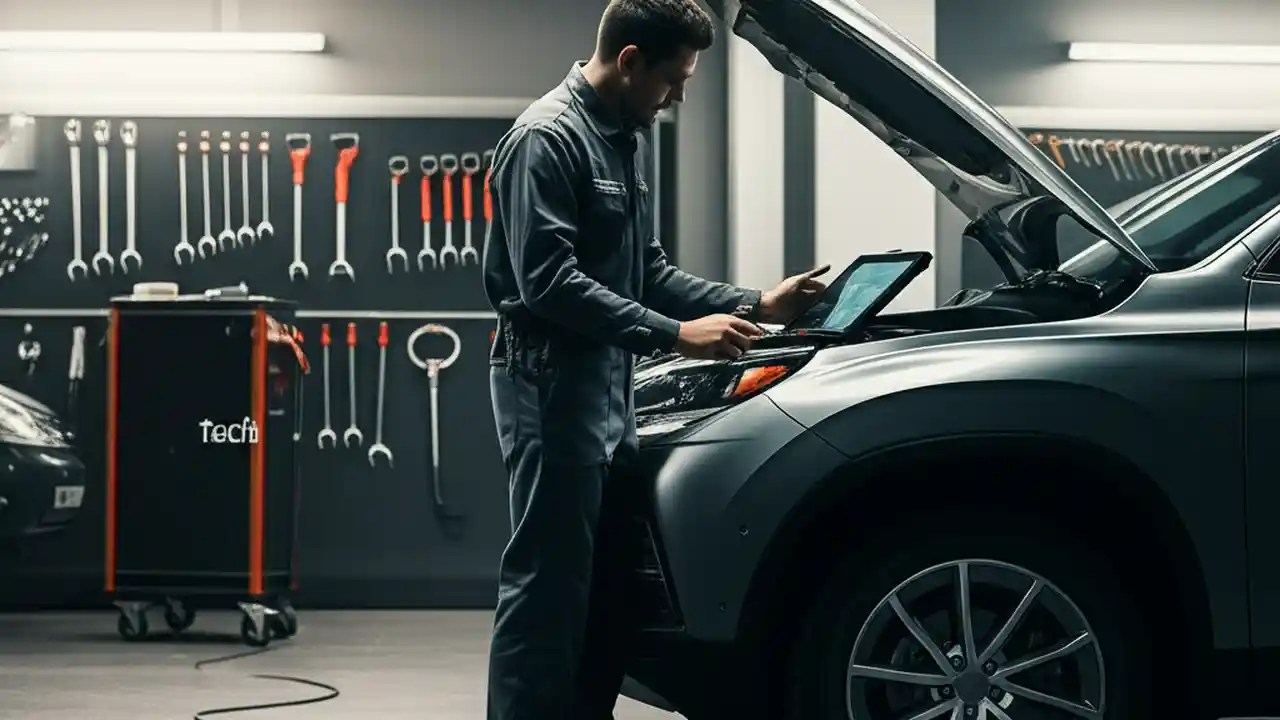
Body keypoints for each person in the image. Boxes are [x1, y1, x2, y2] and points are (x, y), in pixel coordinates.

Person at [480, 1, 829, 718]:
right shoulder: (545, 139)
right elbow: (547, 283)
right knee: (548, 590)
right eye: (673, 80)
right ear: (631, 60)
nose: (677, 97)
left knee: (609, 589)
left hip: (610, 387)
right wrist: (674, 335)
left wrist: (759, 302)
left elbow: (649, 270)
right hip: (549, 385)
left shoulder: (624, 140)